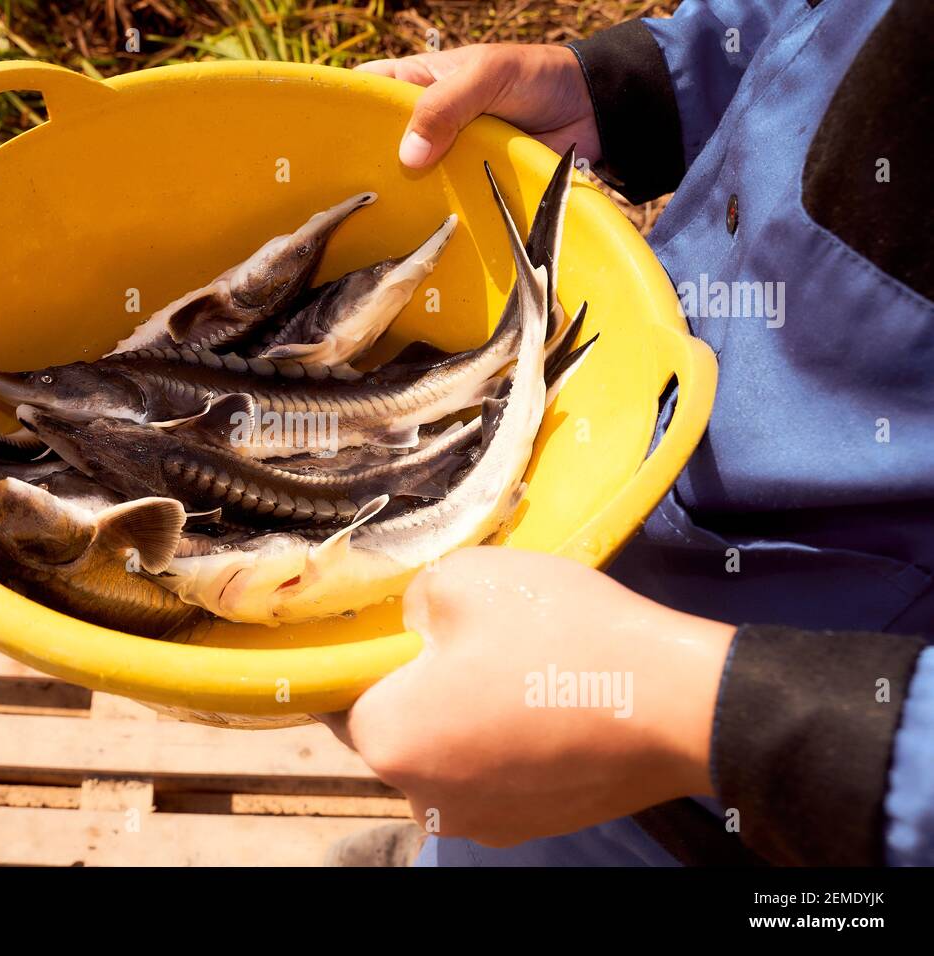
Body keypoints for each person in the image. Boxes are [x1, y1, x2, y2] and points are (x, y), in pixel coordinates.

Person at [321, 0, 933, 866]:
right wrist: (628, 87)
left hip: (790, 823)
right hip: (594, 556)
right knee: (493, 832)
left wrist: (725, 716)